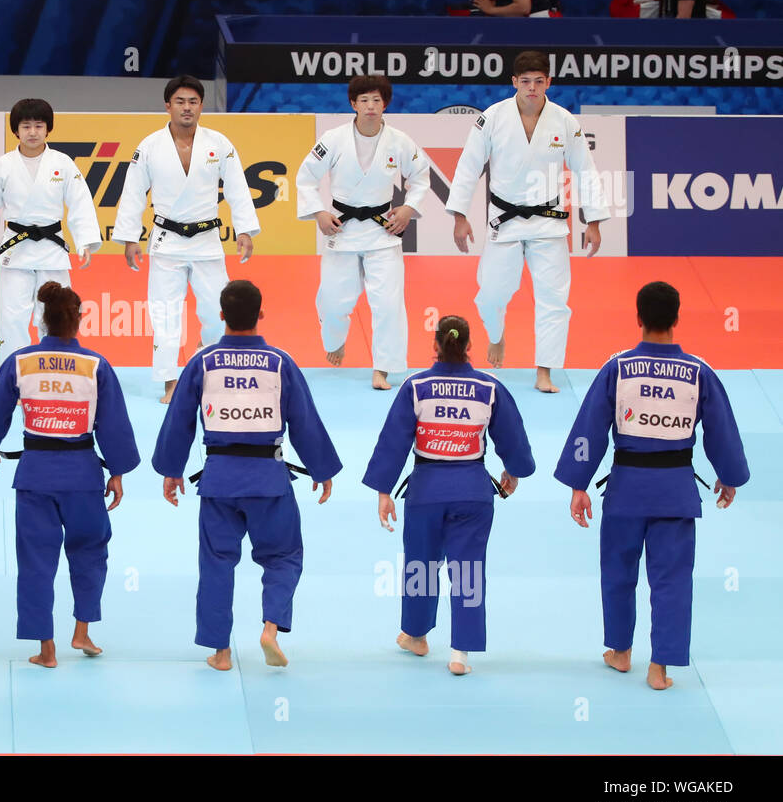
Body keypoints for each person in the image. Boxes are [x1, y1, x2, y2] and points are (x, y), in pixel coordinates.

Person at [553, 281, 748, 691]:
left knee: (618, 573)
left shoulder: (618, 368)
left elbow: (591, 429)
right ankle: (660, 666)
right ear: (677, 319)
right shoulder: (698, 372)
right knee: (672, 580)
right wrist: (728, 476)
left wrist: (578, 482)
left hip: (626, 491)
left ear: (638, 318)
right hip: (676, 491)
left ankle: (620, 651)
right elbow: (722, 433)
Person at [152, 279, 341, 671]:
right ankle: (270, 628)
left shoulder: (202, 362)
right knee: (284, 556)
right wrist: (321, 469)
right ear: (261, 314)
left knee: (217, 562)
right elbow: (303, 420)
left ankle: (220, 651)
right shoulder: (279, 362)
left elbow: (180, 421)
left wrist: (172, 471)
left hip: (219, 480)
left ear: (220, 315)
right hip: (268, 479)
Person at [0, 281, 140, 667]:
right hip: (83, 478)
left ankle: (46, 649)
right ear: (78, 322)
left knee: (35, 562)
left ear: (42, 321)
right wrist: (116, 472)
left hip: (35, 476)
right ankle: (82, 631)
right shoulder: (96, 366)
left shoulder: (20, 361)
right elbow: (112, 426)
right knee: (90, 554)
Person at [362, 315, 534, 676]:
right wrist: (513, 472)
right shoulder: (489, 388)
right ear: (469, 347)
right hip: (473, 490)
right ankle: (460, 653)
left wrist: (383, 491)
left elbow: (393, 443)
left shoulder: (415, 386)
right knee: (468, 569)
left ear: (435, 346)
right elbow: (513, 439)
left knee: (421, 565)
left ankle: (417, 635)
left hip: (426, 489)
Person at [445, 49, 610, 393]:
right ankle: (496, 334)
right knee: (490, 295)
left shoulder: (565, 120)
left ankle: (544, 370)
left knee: (553, 300)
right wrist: (460, 215)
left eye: (539, 81)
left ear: (549, 82)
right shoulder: (492, 117)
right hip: (504, 221)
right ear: (514, 83)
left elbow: (585, 171)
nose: (532, 88)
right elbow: (468, 166)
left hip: (549, 223)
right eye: (525, 81)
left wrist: (592, 220)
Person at [112, 75, 262, 403]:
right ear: (168, 106)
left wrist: (245, 229)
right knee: (165, 313)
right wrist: (129, 237)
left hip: (207, 239)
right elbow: (134, 192)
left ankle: (208, 365)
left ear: (201, 106)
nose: (187, 108)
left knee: (216, 311)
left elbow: (238, 188)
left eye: (193, 102)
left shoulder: (219, 144)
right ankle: (169, 380)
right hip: (167, 240)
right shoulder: (150, 146)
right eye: (180, 101)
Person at [295, 74, 431, 389]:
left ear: (385, 104)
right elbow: (305, 178)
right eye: (364, 100)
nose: (371, 106)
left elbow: (421, 178)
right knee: (333, 302)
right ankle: (335, 340)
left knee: (388, 302)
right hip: (341, 228)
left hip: (382, 232)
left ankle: (383, 367)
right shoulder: (333, 138)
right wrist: (319, 212)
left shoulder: (399, 141)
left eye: (377, 100)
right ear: (353, 104)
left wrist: (409, 208)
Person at [0, 99, 102, 365]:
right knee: (11, 318)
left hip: (52, 248)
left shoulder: (63, 163)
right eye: (26, 126)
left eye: (39, 125)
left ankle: (57, 368)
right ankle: (11, 375)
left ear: (48, 129)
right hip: (16, 248)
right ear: (16, 130)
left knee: (58, 313)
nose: (33, 132)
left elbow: (80, 202)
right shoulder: (2, 165)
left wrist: (85, 241)